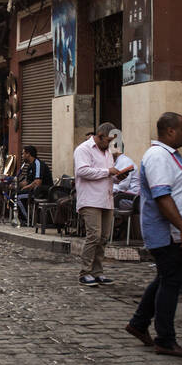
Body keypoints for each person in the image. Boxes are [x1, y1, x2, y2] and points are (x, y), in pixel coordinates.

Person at [127, 113, 182, 357]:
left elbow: (170, 186)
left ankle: (139, 323)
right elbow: (162, 197)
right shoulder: (158, 157)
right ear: (171, 131)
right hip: (166, 233)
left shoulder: (167, 156)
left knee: (165, 278)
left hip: (170, 232)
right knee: (170, 282)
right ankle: (165, 338)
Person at [75, 123, 119, 287]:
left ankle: (97, 272)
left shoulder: (107, 152)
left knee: (103, 237)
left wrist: (117, 176)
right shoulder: (84, 149)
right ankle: (85, 272)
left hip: (106, 199)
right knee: (93, 235)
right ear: (99, 136)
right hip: (90, 199)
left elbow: (107, 173)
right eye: (108, 140)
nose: (109, 144)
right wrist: (108, 172)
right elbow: (82, 171)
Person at [14, 145, 52, 226]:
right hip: (33, 190)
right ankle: (20, 218)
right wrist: (16, 183)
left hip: (42, 192)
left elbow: (37, 182)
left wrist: (25, 187)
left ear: (28, 154)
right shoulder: (30, 166)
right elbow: (28, 182)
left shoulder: (38, 164)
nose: (22, 156)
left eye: (23, 154)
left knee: (17, 197)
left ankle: (27, 219)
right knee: (13, 195)